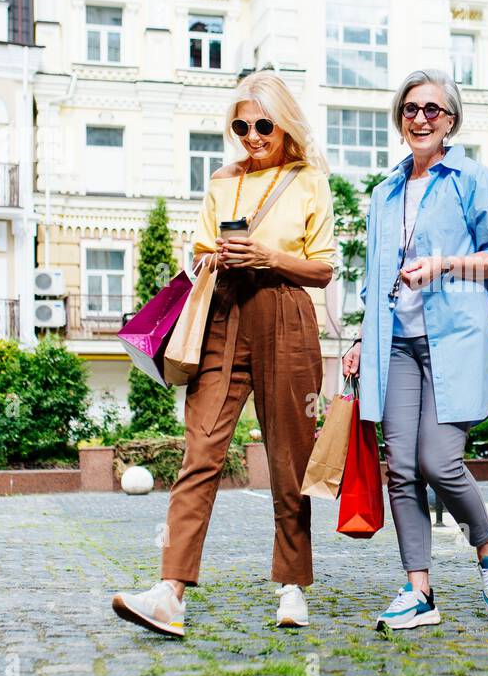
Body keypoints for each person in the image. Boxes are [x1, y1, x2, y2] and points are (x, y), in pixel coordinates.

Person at [113, 72, 337, 637]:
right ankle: (170, 591)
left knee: (290, 455)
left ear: (284, 123)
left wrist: (268, 256)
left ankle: (292, 584)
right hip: (222, 312)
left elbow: (324, 266)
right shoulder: (221, 181)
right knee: (201, 449)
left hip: (285, 311)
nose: (252, 136)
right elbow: (200, 247)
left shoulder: (308, 180)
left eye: (263, 124)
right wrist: (212, 257)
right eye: (241, 125)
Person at [341, 69, 488, 630]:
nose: (420, 118)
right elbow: (375, 278)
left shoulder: (471, 179)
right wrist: (359, 337)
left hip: (455, 341)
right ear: (400, 119)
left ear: (451, 120)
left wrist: (445, 266)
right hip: (394, 343)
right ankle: (418, 590)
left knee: (438, 461)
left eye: (432, 109)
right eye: (410, 109)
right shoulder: (384, 192)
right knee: (400, 466)